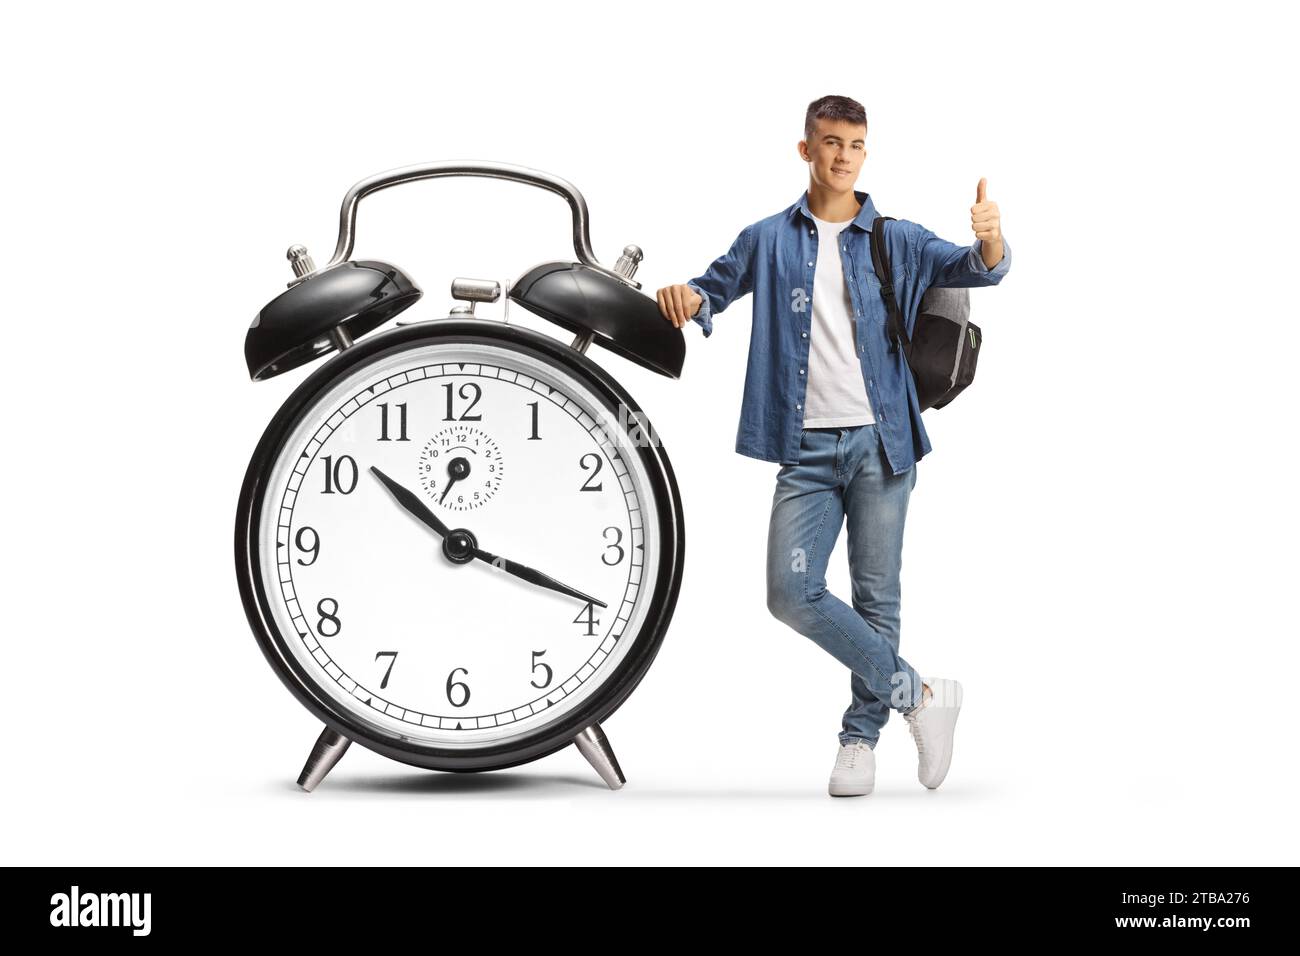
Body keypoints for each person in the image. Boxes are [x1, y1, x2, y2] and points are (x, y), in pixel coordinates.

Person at [656, 94, 1011, 797]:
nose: (842, 155)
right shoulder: (767, 237)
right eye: (829, 142)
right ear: (805, 149)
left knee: (877, 599)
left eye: (854, 144)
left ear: (864, 153)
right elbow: (712, 288)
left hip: (883, 443)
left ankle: (859, 742)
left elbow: (982, 269)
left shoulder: (896, 237)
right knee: (792, 593)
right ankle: (921, 697)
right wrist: (686, 298)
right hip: (805, 449)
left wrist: (992, 237)